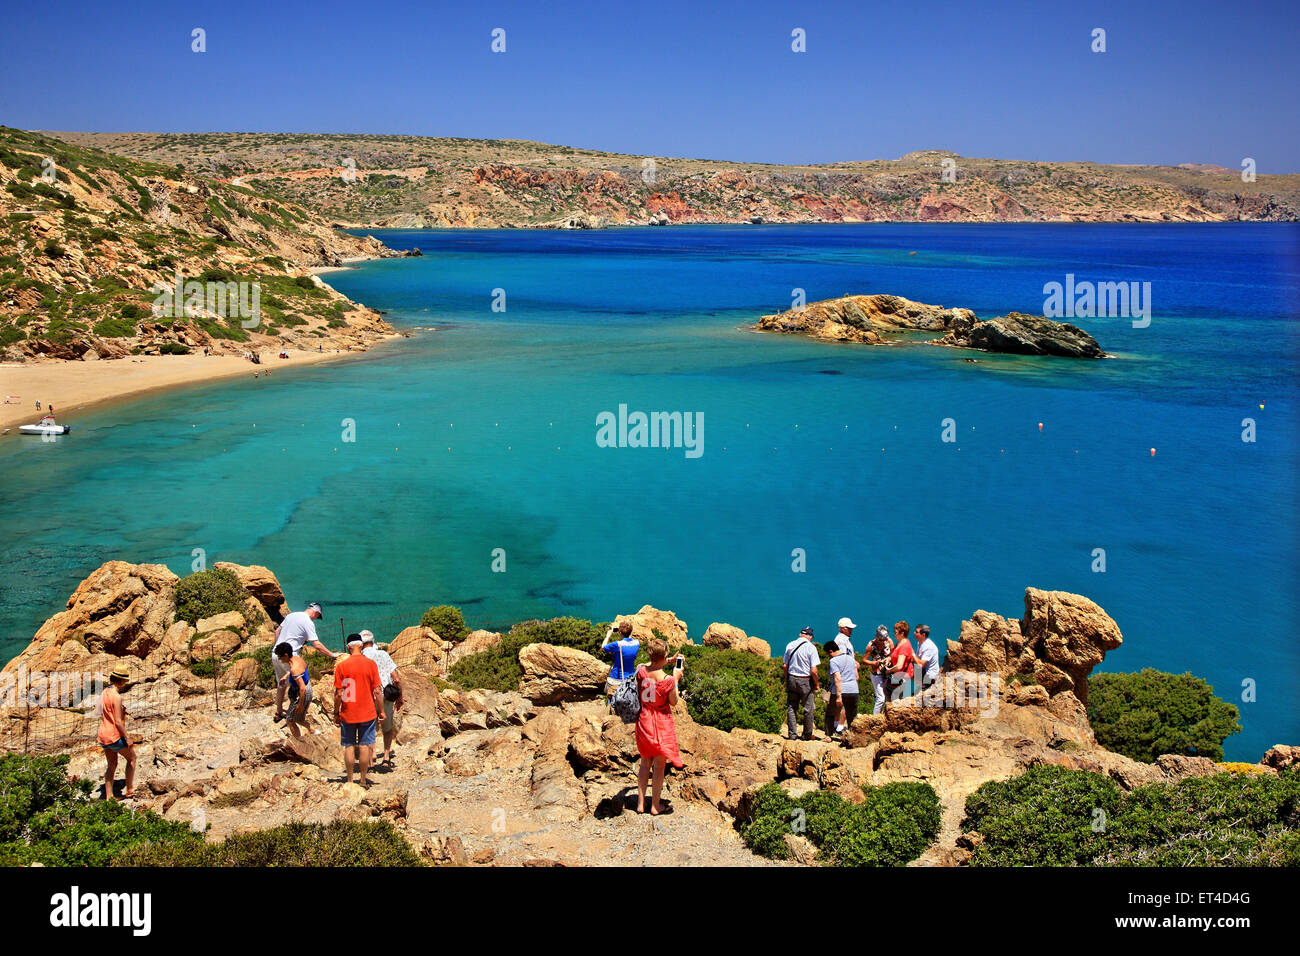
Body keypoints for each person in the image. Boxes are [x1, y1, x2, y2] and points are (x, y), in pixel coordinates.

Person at [634, 638, 683, 815]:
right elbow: (674, 702)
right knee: (659, 766)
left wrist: (664, 660)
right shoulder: (668, 680)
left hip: (644, 721)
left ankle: (640, 804)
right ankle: (655, 805)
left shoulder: (641, 672)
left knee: (645, 762)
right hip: (661, 725)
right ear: (665, 655)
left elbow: (649, 665)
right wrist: (676, 679)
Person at [332, 634, 384, 787]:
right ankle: (362, 780)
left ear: (348, 648)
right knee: (364, 745)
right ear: (361, 646)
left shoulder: (341, 666)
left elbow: (338, 694)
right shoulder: (370, 665)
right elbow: (377, 691)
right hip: (367, 712)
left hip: (348, 712)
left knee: (349, 745)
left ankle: (349, 780)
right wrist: (381, 711)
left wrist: (336, 713)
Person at [273, 602, 337, 722]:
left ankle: (279, 711)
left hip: (276, 654)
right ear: (315, 612)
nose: (316, 619)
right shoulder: (308, 622)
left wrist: (277, 649)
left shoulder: (291, 615)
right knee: (299, 685)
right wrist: (332, 654)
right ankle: (295, 714)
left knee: (281, 683)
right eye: (317, 617)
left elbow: (277, 632)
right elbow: (316, 644)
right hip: (290, 657)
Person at [361, 630, 404, 768]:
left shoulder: (360, 658)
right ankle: (386, 757)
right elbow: (396, 679)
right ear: (373, 642)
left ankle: (371, 758)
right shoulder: (383, 654)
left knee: (369, 728)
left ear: (360, 645)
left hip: (368, 696)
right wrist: (399, 697)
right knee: (387, 727)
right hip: (386, 696)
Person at [96, 665, 136, 800]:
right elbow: (118, 722)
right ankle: (130, 789)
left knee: (111, 764)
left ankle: (109, 796)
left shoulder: (105, 692)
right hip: (114, 736)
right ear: (121, 681)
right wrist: (127, 737)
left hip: (103, 734)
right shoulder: (117, 697)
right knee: (132, 759)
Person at [783, 626, 820, 740]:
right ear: (810, 636)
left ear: (800, 634)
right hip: (805, 680)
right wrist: (817, 684)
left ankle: (792, 735)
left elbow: (785, 666)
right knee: (808, 708)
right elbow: (814, 670)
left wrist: (787, 679)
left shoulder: (790, 645)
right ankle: (807, 735)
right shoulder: (811, 648)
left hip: (792, 678)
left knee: (792, 707)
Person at [275, 642, 315, 739]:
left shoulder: (294, 669)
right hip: (306, 687)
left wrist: (300, 705)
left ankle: (299, 742)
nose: (279, 659)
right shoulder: (297, 659)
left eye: (280, 657)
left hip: (302, 693)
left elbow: (302, 688)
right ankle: (313, 731)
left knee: (290, 720)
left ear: (286, 655)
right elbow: (297, 672)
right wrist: (286, 676)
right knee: (298, 718)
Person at [824, 639, 860, 737]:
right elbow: (857, 676)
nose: (828, 656)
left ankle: (828, 736)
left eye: (828, 654)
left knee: (830, 713)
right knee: (852, 716)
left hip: (839, 691)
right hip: (853, 690)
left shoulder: (833, 661)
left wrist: (839, 696)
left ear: (831, 651)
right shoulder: (850, 658)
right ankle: (853, 738)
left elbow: (838, 678)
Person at [600, 621, 640, 697]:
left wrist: (608, 635)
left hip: (617, 677)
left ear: (620, 632)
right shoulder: (637, 643)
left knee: (612, 700)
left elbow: (603, 647)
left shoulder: (617, 644)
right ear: (630, 632)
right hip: (630, 678)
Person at [866, 625, 893, 714]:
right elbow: (864, 660)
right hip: (876, 674)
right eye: (880, 640)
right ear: (876, 636)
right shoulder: (871, 645)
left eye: (884, 639)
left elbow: (894, 654)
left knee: (888, 697)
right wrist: (874, 663)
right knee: (881, 698)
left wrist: (889, 659)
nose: (882, 642)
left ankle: (884, 716)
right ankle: (875, 719)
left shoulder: (889, 641)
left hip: (887, 673)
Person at [886, 620, 915, 702]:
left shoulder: (904, 646)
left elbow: (899, 666)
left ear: (902, 633)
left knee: (898, 703)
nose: (894, 634)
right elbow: (895, 655)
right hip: (898, 677)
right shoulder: (900, 643)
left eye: (896, 632)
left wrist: (889, 671)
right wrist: (889, 658)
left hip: (903, 679)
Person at [914, 625, 941, 697]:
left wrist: (912, 654)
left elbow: (920, 665)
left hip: (930, 676)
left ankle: (922, 688)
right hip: (924, 671)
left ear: (923, 635)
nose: (914, 633)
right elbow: (917, 658)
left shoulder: (928, 646)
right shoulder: (920, 643)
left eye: (916, 632)